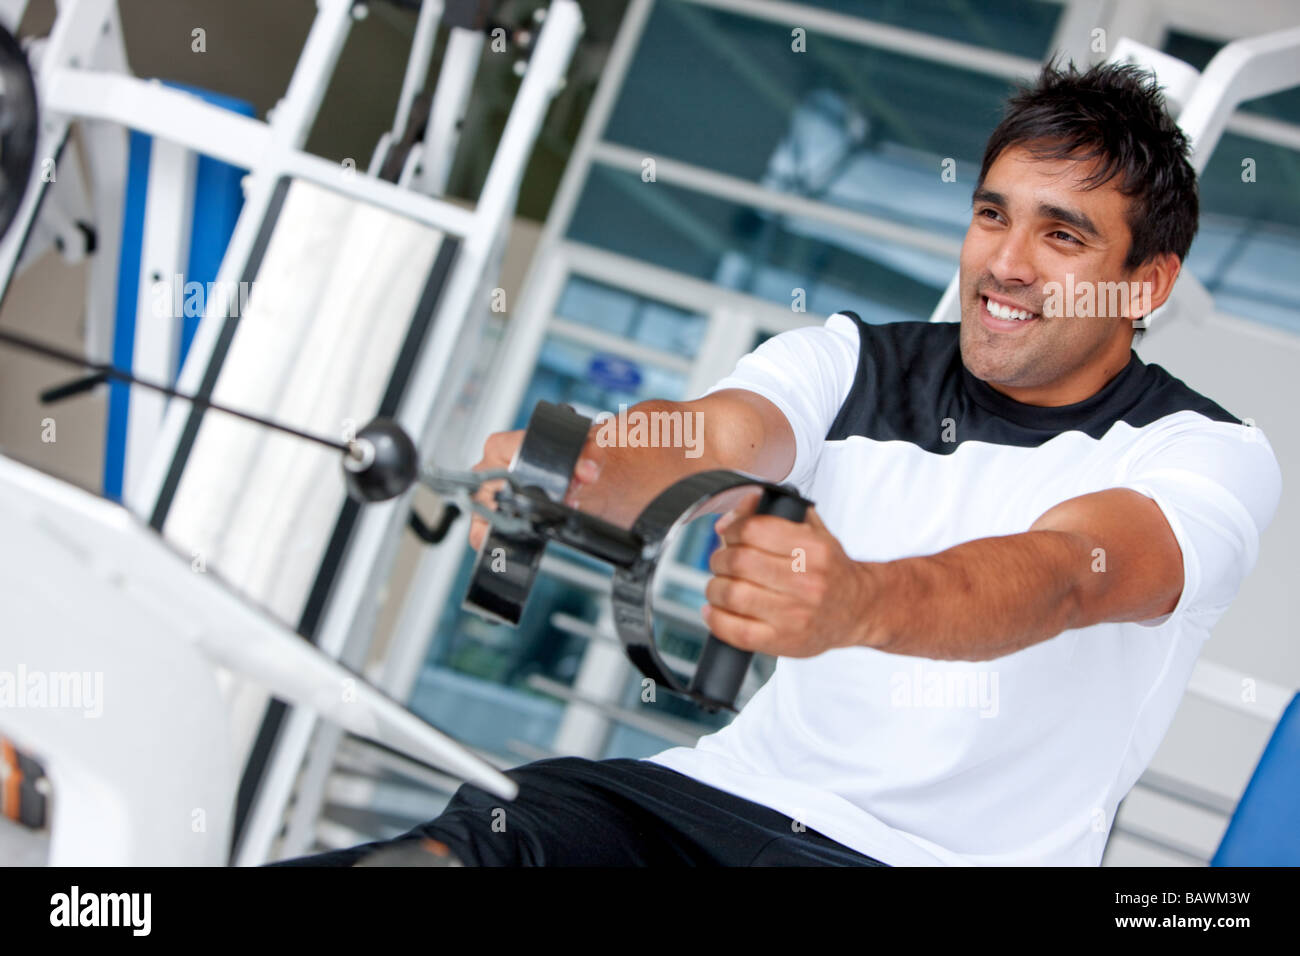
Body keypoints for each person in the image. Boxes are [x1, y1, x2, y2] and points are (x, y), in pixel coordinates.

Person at [274, 60, 1282, 867]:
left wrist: (859, 601)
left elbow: (1065, 578)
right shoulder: (847, 359)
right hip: (731, 795)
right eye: (991, 214)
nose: (1005, 263)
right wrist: (582, 465)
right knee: (499, 832)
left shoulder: (1203, 455)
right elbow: (710, 434)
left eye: (1060, 234)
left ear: (1144, 283)